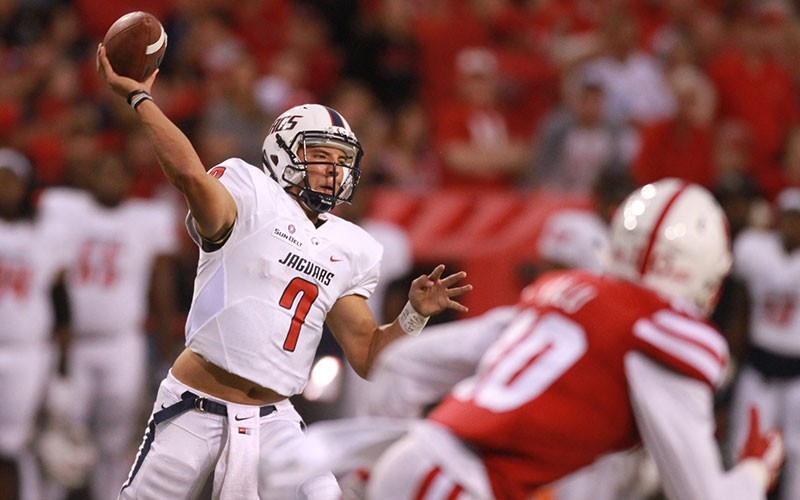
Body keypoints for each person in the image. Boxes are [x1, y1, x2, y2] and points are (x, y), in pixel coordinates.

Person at [96, 44, 470, 500]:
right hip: (194, 406)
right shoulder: (247, 192)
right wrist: (141, 99)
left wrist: (414, 314)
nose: (334, 170)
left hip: (275, 418)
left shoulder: (351, 245)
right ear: (282, 151)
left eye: (342, 160)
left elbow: (371, 357)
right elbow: (191, 177)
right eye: (322, 155)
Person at [276, 179, 785, 500]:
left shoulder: (563, 292)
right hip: (459, 486)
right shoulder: (664, 336)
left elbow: (405, 365)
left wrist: (372, 477)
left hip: (417, 464)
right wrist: (754, 474)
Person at [37, 153, 181, 500]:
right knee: (61, 440)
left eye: (118, 173)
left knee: (115, 442)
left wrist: (166, 346)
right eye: (104, 170)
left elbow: (162, 286)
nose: (110, 179)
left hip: (122, 342)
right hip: (73, 343)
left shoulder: (145, 218)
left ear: (130, 182)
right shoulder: (65, 210)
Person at [0, 148, 72, 500]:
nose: (6, 188)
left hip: (28, 351)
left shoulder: (45, 233)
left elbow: (61, 302)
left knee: (17, 441)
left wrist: (62, 366)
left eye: (11, 180)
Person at [726, 186, 800, 500]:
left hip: (797, 374)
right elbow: (739, 299)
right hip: (758, 367)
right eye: (788, 219)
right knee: (744, 447)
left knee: (797, 455)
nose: (792, 227)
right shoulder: (754, 249)